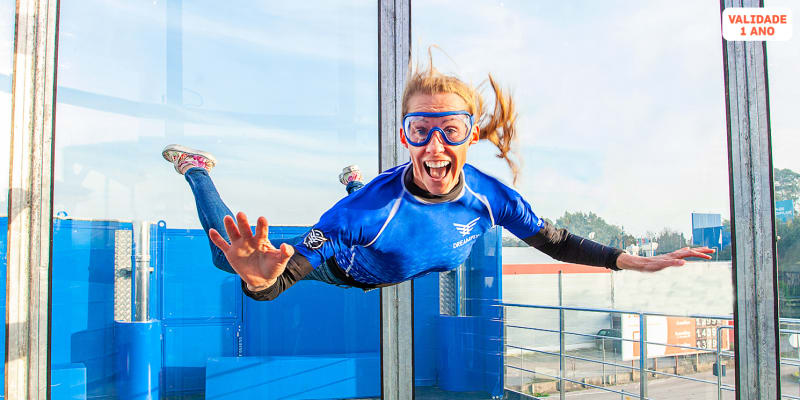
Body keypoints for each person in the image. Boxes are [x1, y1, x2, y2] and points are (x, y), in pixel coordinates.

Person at [162, 65, 714, 301]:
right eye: (418, 130)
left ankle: (355, 178)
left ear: (470, 137)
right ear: (405, 137)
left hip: (385, 232)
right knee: (227, 260)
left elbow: (557, 241)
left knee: (378, 204)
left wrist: (632, 261)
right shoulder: (356, 217)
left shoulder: (489, 196)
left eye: (450, 130)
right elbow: (295, 268)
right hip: (349, 270)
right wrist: (263, 284)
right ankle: (198, 170)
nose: (434, 146)